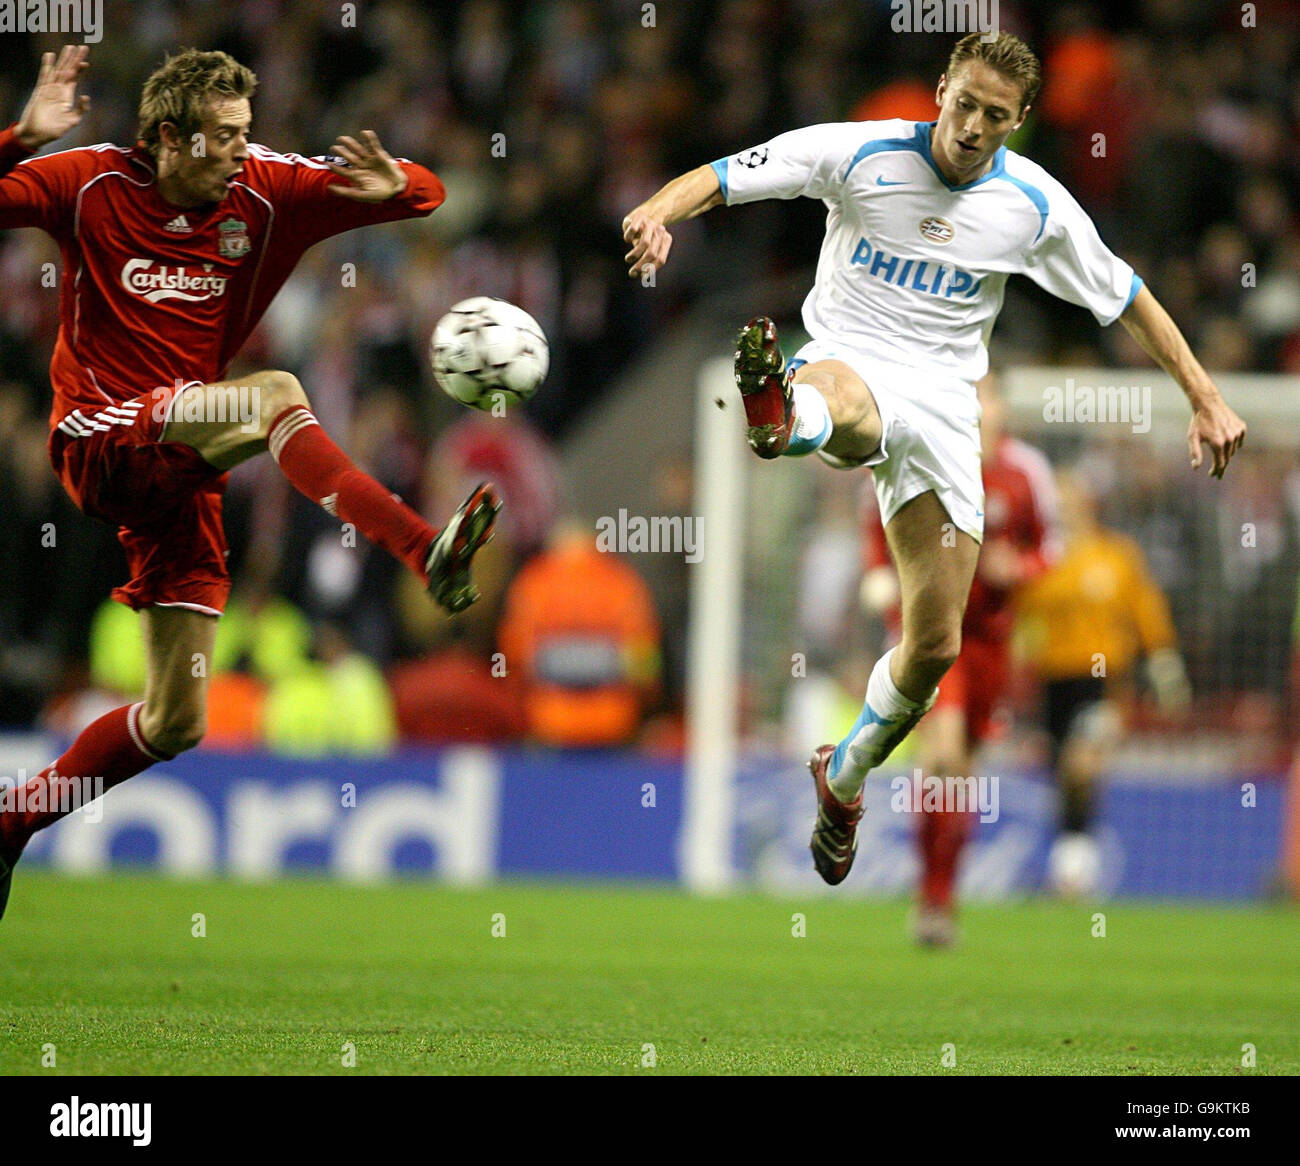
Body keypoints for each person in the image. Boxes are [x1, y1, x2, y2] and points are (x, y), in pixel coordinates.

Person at [621, 31, 1245, 885]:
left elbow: (1125, 294)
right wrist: (657, 213)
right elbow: (729, 174)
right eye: (964, 104)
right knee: (846, 408)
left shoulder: (1034, 205)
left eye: (996, 116)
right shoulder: (860, 151)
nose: (973, 126)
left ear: (1018, 121)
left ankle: (842, 775)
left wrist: (1205, 396)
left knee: (934, 646)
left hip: (949, 409)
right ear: (941, 90)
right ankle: (780, 412)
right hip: (850, 356)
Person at [0, 46, 501, 919]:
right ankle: (422, 549)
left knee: (173, 721)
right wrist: (20, 136)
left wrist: (400, 185)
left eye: (245, 132)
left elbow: (430, 194)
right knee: (275, 395)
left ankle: (13, 822)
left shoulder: (266, 190)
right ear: (166, 138)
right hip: (101, 437)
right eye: (223, 135)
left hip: (183, 466)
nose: (241, 148)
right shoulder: (87, 182)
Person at [863, 371, 1060, 944]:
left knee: (958, 775)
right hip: (929, 632)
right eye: (969, 394)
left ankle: (936, 897)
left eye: (987, 395)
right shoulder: (922, 453)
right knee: (945, 757)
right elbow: (880, 519)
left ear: (1001, 407)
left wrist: (1019, 570)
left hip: (991, 644)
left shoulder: (1026, 475)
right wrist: (881, 579)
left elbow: (1051, 548)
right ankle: (934, 897)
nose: (978, 407)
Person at [1016, 469, 1192, 897]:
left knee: (1082, 764)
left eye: (1067, 498)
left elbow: (1146, 610)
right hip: (1052, 681)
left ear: (1086, 503)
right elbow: (1021, 620)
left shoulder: (1116, 555)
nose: (1060, 507)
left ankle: (1074, 871)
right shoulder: (1039, 560)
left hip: (1102, 681)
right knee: (1064, 774)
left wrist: (1166, 666)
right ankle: (1071, 872)